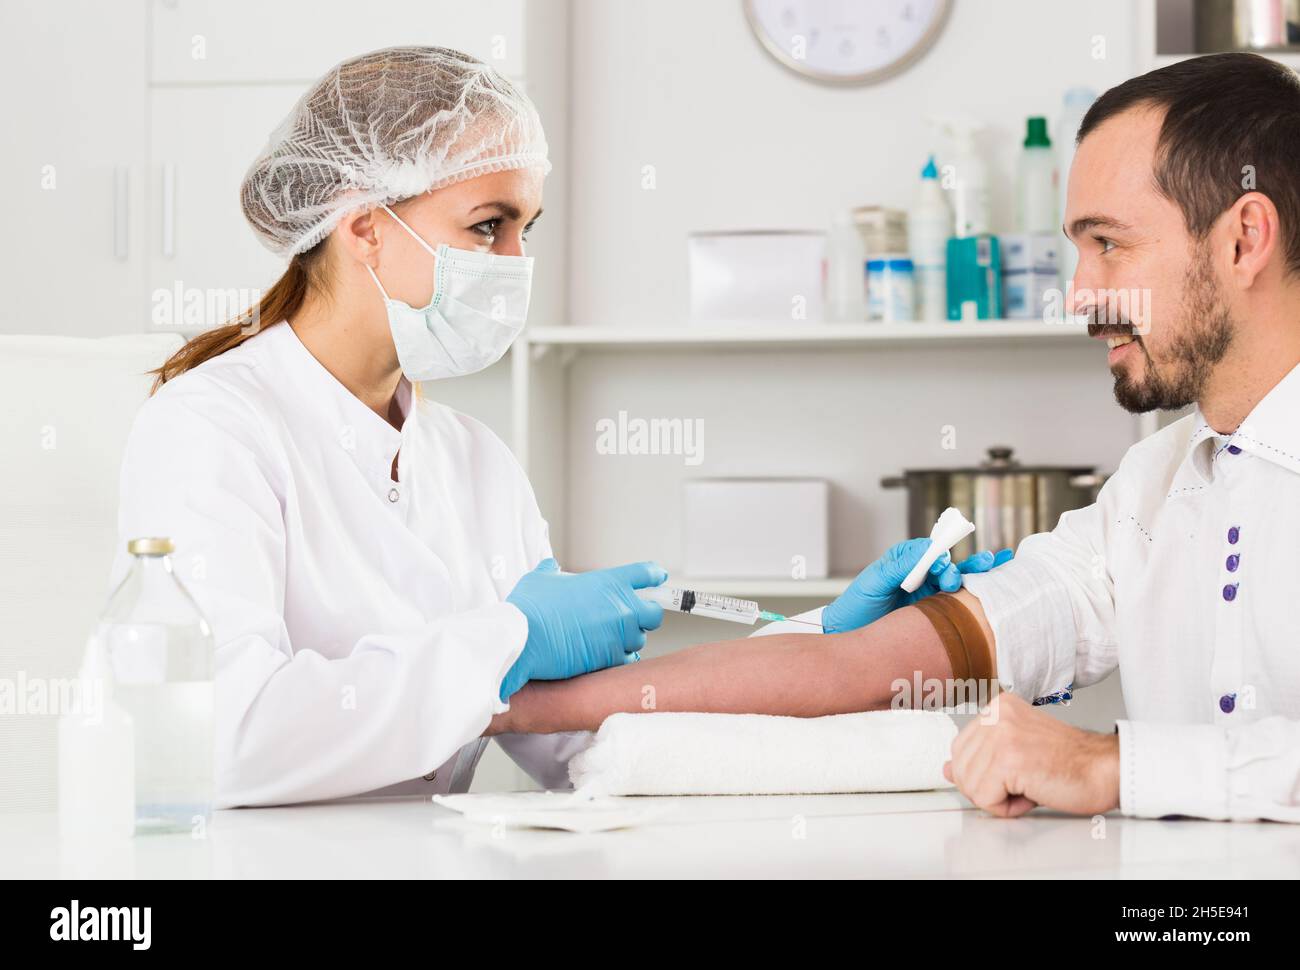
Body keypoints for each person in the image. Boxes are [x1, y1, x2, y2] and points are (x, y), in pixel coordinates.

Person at [114, 46, 1002, 807]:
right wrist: (506, 640)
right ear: (365, 228)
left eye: (525, 230)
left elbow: (578, 734)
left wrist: (830, 645)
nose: (515, 265)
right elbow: (218, 734)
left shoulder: (472, 460)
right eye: (488, 226)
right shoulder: (211, 428)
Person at [497, 52, 1300, 825]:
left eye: (1109, 244)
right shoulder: (1151, 492)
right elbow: (858, 668)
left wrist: (1115, 765)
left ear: (1244, 238)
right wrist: (498, 703)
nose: (1078, 295)